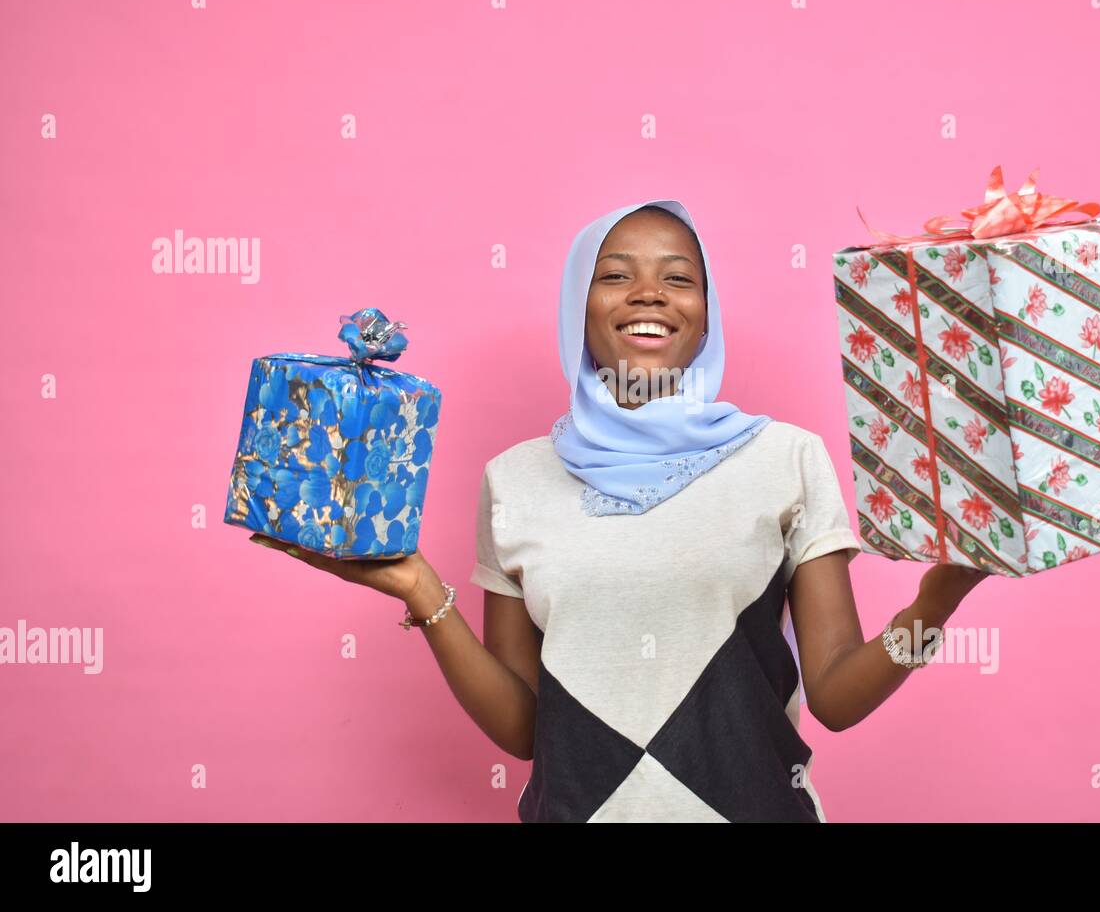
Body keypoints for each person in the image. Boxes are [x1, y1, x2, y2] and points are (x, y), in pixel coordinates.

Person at [249, 198, 988, 822]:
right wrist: (420, 590)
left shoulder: (785, 459)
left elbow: (837, 699)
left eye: (679, 279)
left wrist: (936, 605)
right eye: (615, 276)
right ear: (579, 307)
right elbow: (524, 730)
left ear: (705, 315)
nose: (649, 294)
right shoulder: (515, 479)